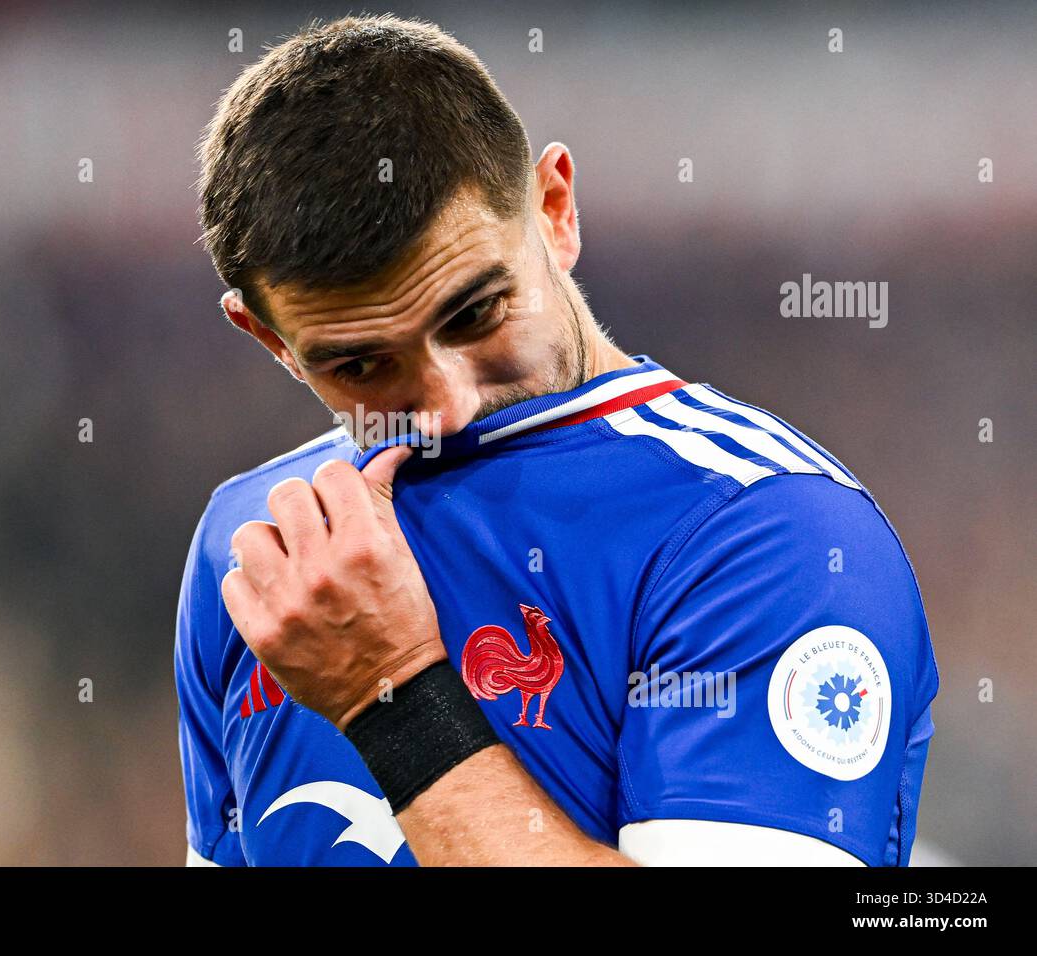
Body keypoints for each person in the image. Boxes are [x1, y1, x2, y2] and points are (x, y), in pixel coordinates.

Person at [176, 14, 937, 866]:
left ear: (555, 209)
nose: (446, 407)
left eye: (475, 313)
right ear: (269, 339)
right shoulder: (253, 548)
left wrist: (391, 700)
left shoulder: (768, 530)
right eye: (360, 364)